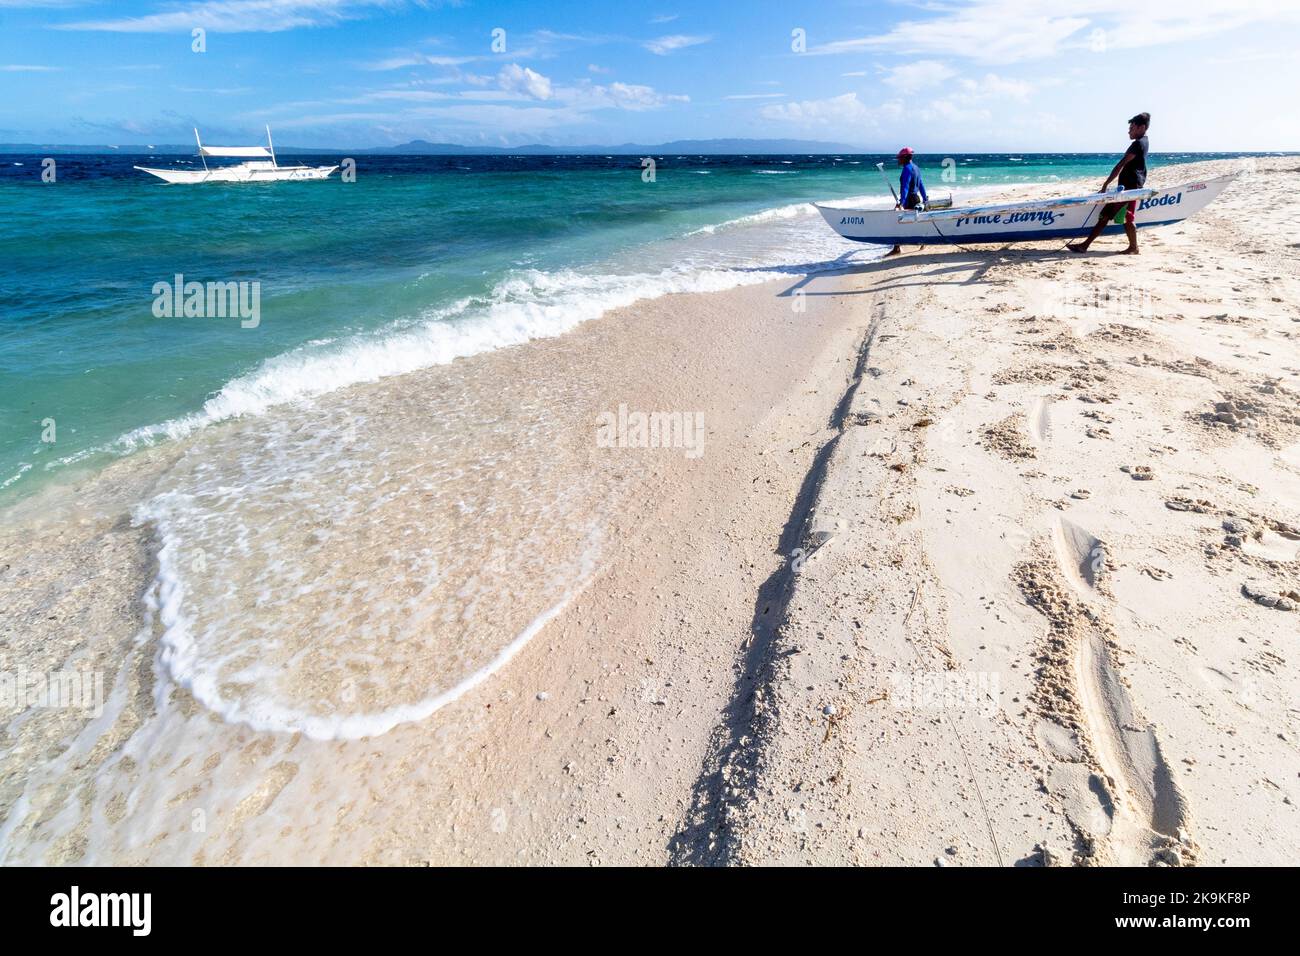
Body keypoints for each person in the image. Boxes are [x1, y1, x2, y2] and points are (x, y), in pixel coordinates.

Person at [1068, 112, 1150, 255]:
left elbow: (1120, 165)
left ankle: (1086, 246)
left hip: (1129, 188)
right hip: (1131, 186)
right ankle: (1131, 247)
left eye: (1132, 127)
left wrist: (1105, 184)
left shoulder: (1138, 144)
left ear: (1142, 127)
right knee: (1116, 215)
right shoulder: (1144, 141)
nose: (1129, 131)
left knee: (1116, 215)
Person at [886, 147, 928, 257]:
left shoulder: (907, 169)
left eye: (899, 158)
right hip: (916, 198)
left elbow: (905, 187)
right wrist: (925, 199)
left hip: (909, 200)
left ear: (904, 157)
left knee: (897, 222)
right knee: (917, 220)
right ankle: (923, 242)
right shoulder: (916, 168)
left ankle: (897, 248)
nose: (898, 160)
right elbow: (921, 184)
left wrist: (901, 203)